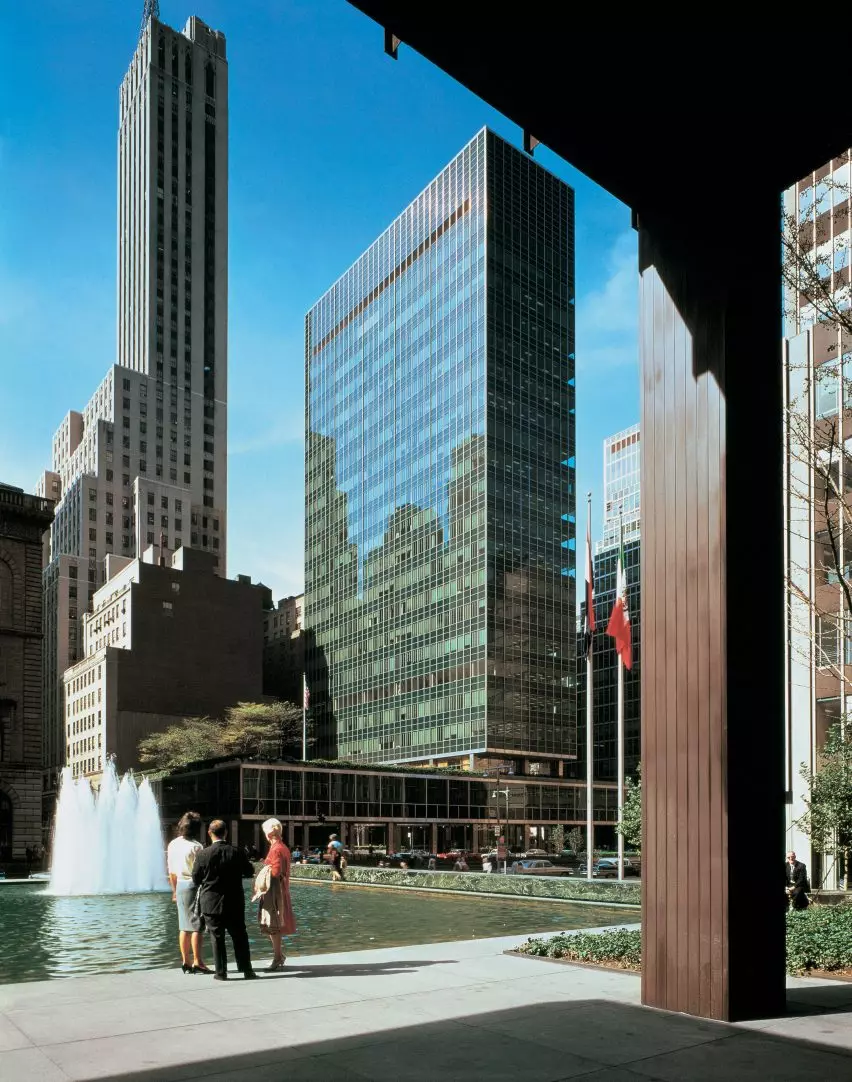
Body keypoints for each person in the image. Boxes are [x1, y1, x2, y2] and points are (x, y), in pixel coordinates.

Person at [192, 820, 257, 981]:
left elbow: (195, 878)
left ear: (209, 833)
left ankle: (221, 973)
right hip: (234, 900)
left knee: (216, 936)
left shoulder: (202, 854)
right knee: (240, 935)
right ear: (226, 832)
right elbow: (249, 871)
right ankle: (247, 970)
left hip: (211, 902)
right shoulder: (237, 852)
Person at [167, 811, 211, 974]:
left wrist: (174, 891)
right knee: (197, 926)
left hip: (179, 885)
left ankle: (186, 961)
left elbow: (171, 871)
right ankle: (198, 962)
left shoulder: (173, 844)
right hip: (194, 886)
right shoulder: (196, 847)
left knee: (183, 926)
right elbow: (201, 872)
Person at [252, 817, 297, 972]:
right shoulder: (282, 847)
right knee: (273, 926)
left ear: (269, 834)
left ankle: (278, 957)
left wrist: (263, 873)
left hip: (274, 893)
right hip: (280, 891)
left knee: (273, 926)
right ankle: (279, 955)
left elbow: (276, 872)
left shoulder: (276, 849)